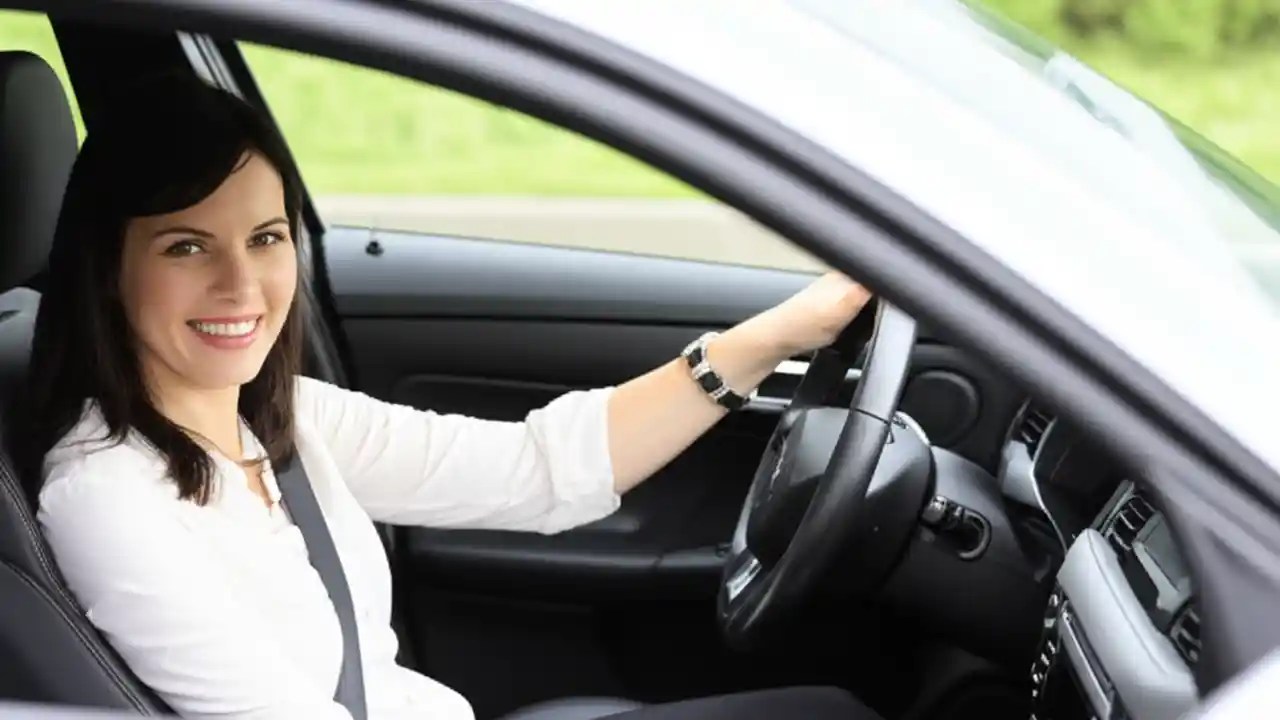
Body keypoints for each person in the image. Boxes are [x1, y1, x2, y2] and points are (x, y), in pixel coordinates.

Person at [16, 73, 879, 720]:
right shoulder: (105, 495)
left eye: (266, 238)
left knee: (830, 709)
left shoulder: (283, 421)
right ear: (108, 269)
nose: (242, 285)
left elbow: (533, 469)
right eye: (187, 247)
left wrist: (785, 331)